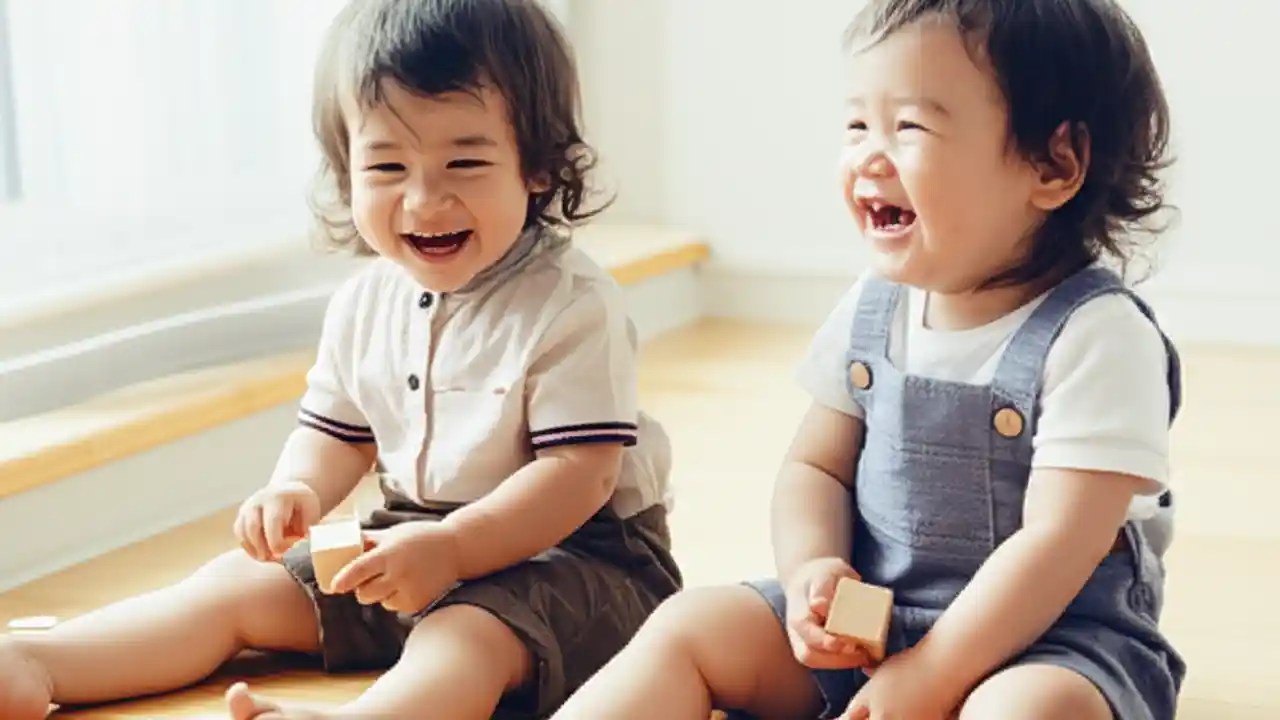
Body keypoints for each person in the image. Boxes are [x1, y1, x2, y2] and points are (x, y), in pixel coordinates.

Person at [0, 1, 681, 718]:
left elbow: (579, 475)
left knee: (463, 636)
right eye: (387, 164)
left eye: (466, 161)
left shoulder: (572, 304)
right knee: (236, 588)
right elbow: (338, 434)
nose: (425, 199)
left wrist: (452, 549)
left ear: (539, 165)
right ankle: (39, 663)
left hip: (580, 561)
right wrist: (297, 487)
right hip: (409, 536)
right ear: (346, 169)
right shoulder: (365, 302)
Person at [551, 1, 1183, 718]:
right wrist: (813, 569)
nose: (868, 157)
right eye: (858, 125)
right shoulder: (875, 305)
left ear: (1054, 163)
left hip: (1048, 642)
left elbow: (1057, 546)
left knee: (1034, 710)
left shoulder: (1097, 336)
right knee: (691, 627)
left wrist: (936, 674)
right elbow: (814, 467)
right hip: (874, 623)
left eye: (908, 126)